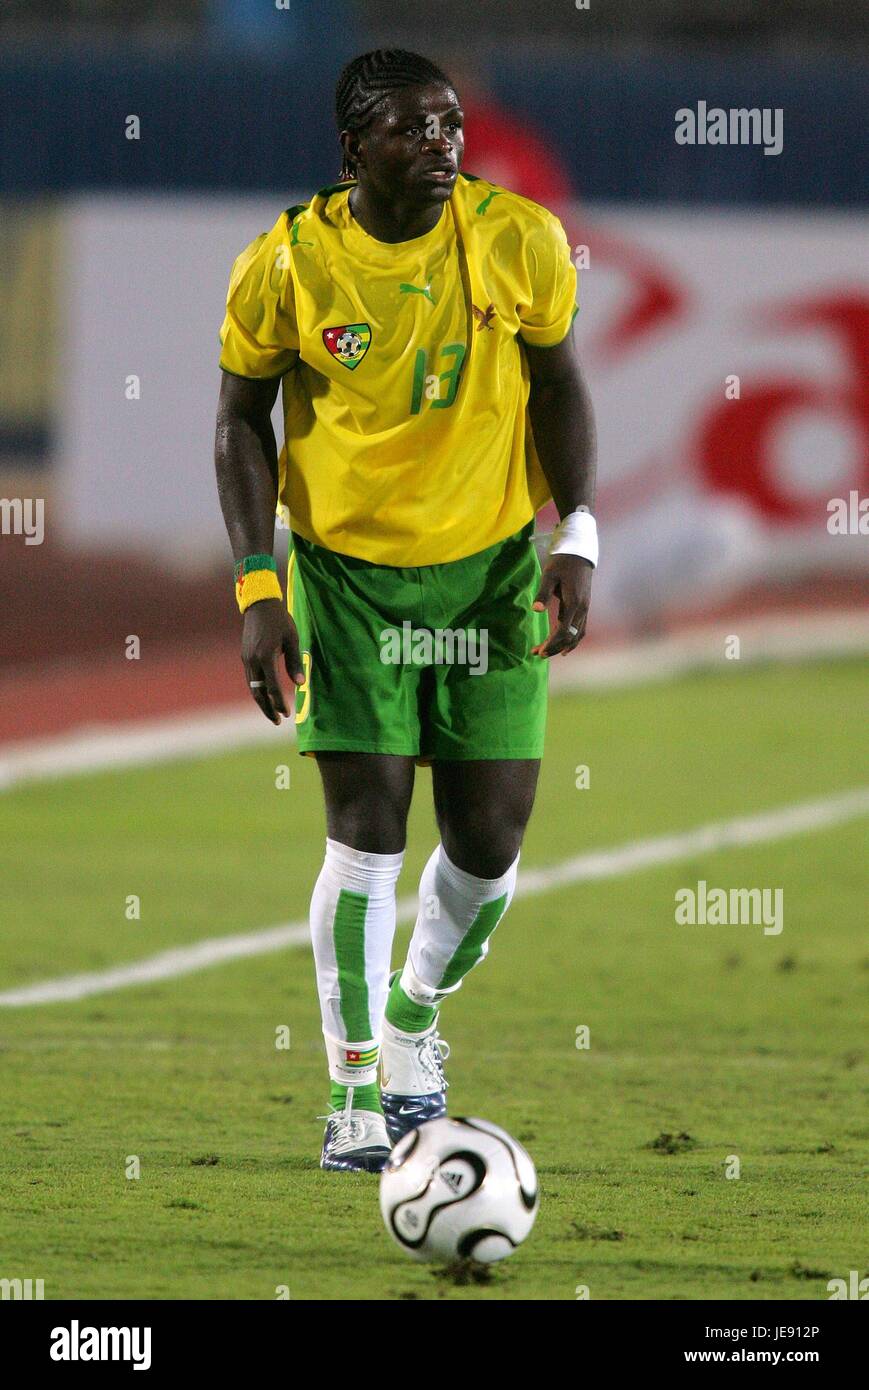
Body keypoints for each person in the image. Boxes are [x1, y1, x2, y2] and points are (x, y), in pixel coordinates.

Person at [214, 49, 597, 1172]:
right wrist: (257, 583)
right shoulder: (283, 263)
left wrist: (574, 532)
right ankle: (352, 1095)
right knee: (367, 830)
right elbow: (239, 422)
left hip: (485, 571)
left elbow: (559, 382)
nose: (439, 147)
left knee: (488, 844)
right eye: (410, 130)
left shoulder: (517, 239)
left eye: (449, 128)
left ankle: (415, 1017)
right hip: (344, 577)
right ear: (351, 147)